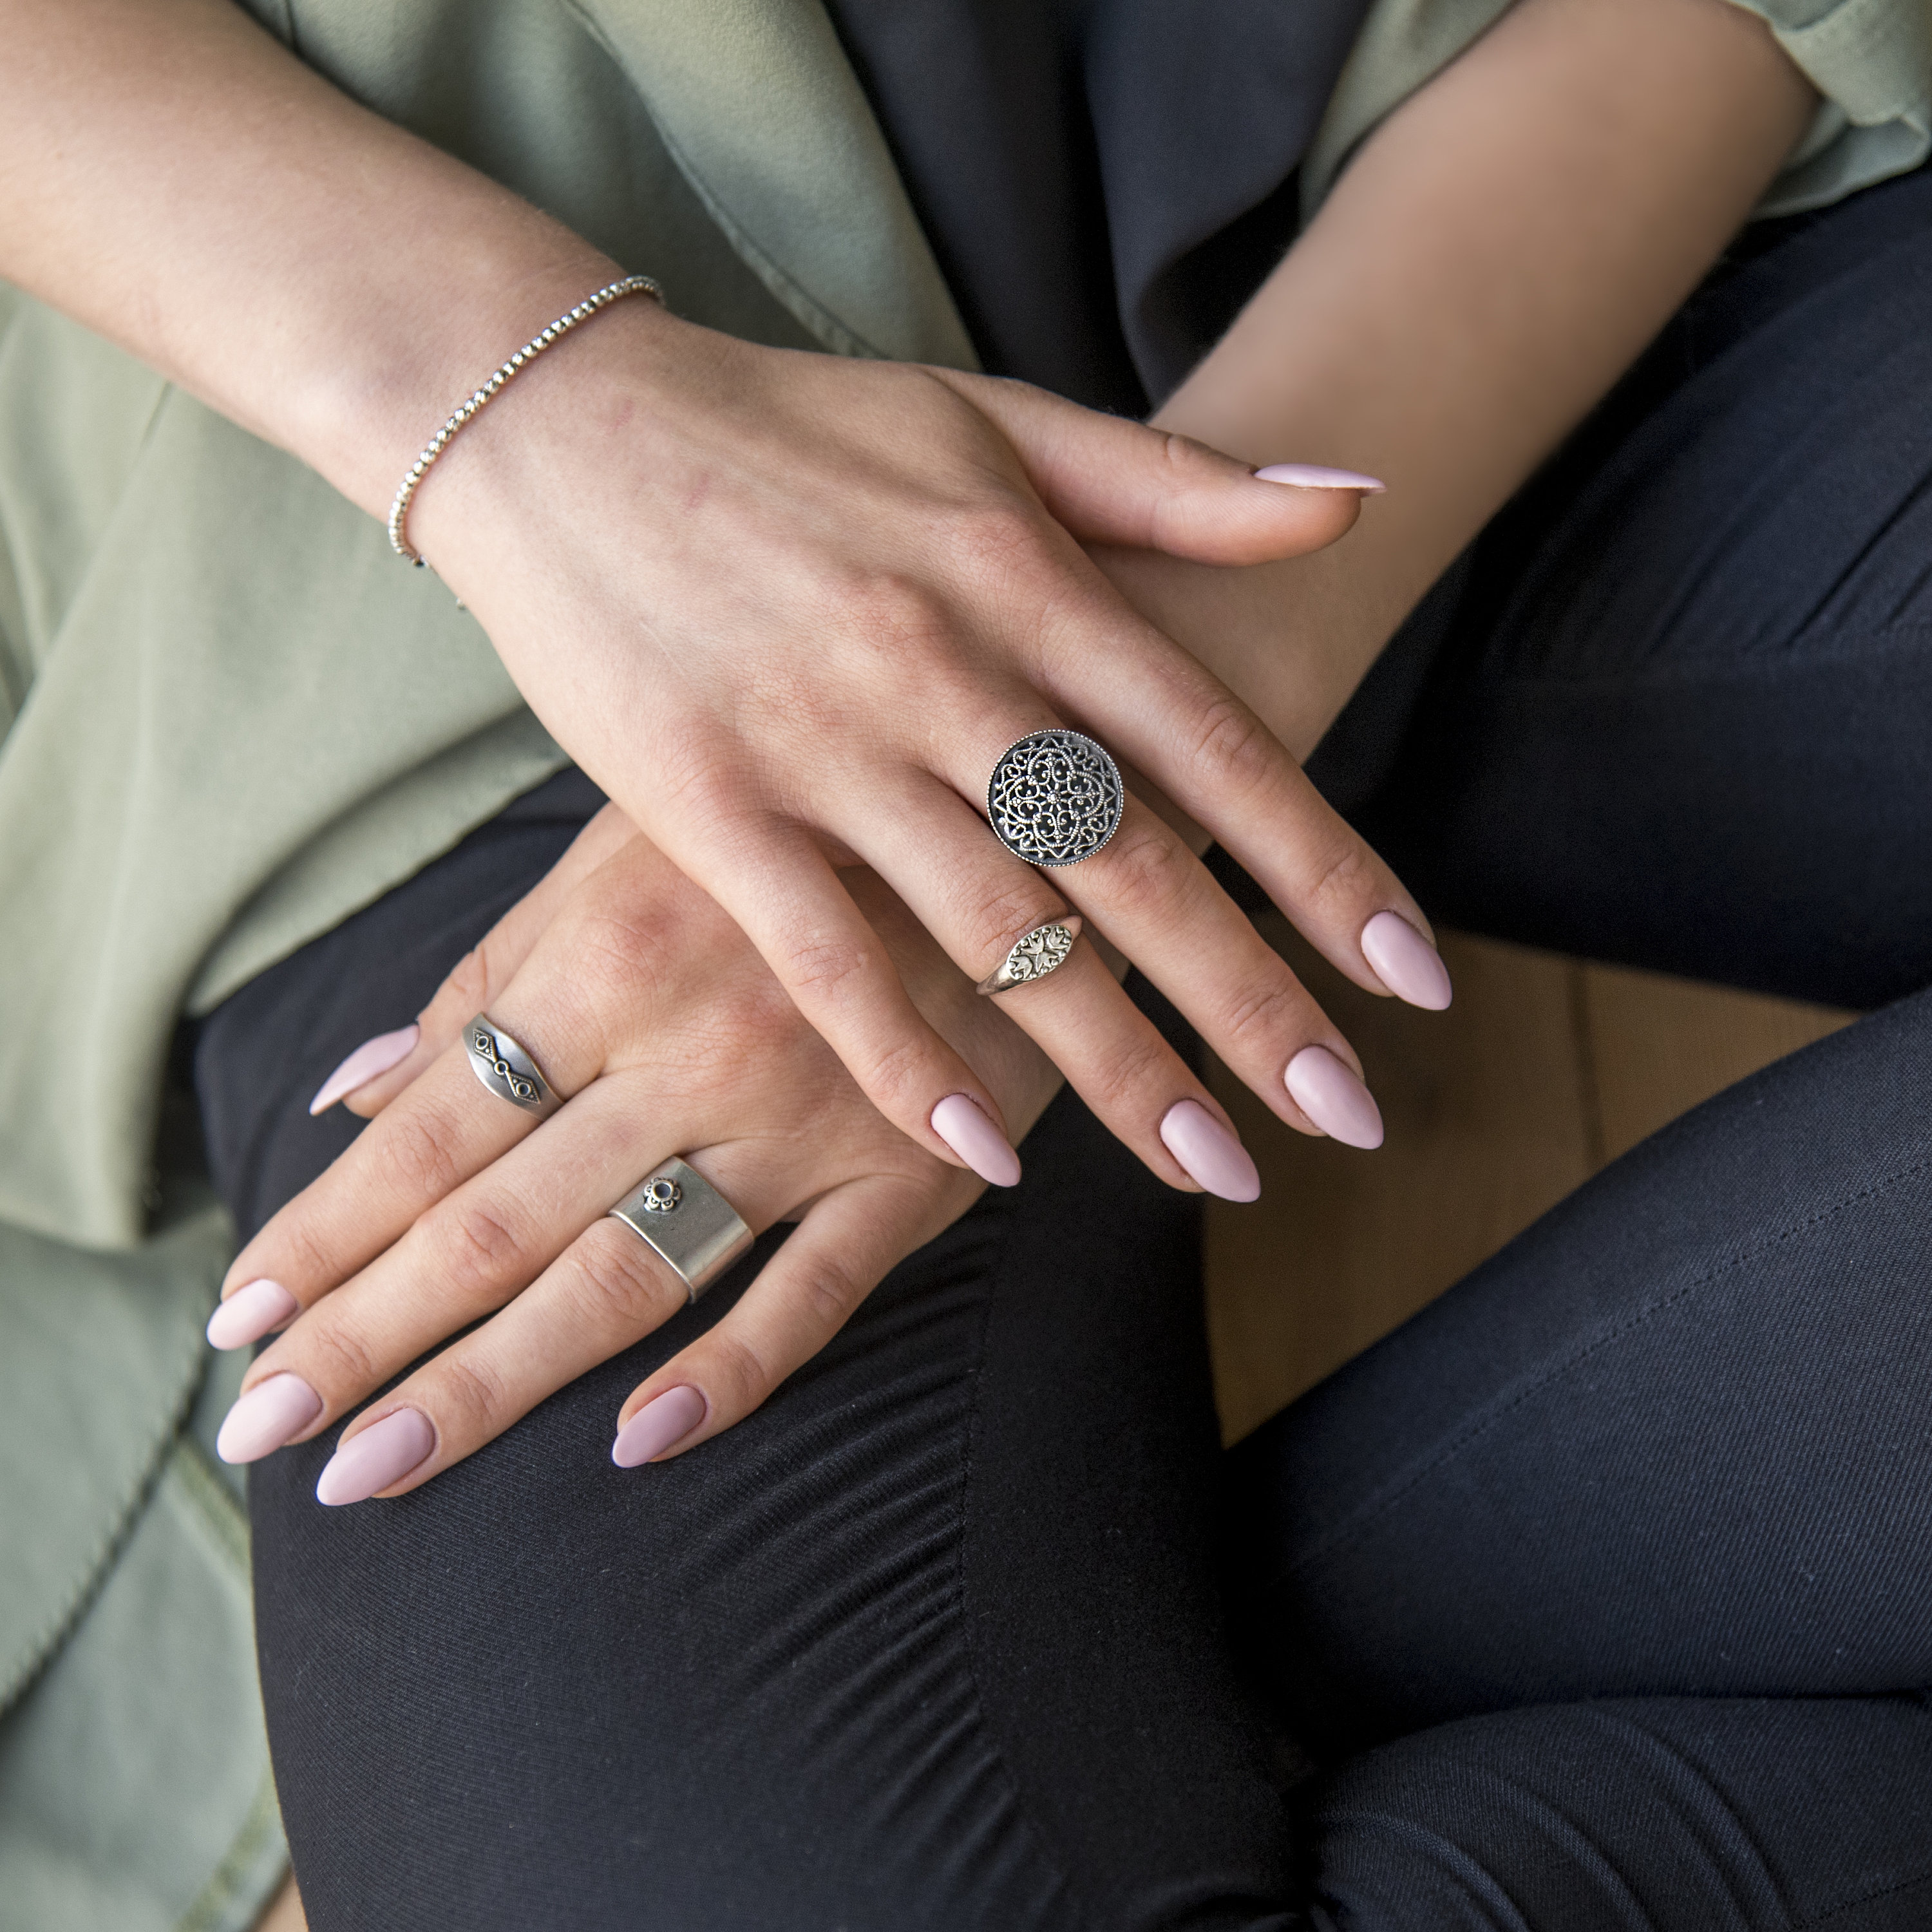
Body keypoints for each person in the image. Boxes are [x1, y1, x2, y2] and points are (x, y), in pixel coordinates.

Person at [1, 0, 1928, 1925]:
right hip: (476, 532)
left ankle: (1144, 1696)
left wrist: (1143, 694)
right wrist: (534, 416)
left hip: (1508, 246)